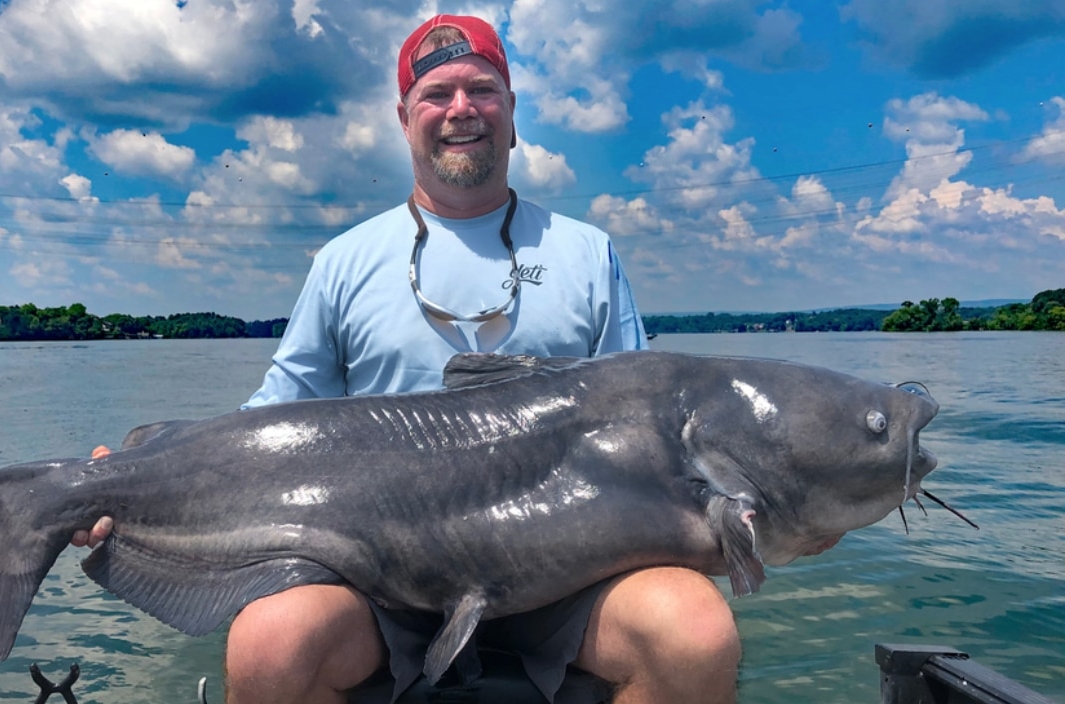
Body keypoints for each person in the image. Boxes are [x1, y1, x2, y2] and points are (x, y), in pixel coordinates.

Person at [74, 14, 741, 703]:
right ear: (404, 118)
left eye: (482, 90)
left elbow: (654, 431)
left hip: (571, 575)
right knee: (270, 644)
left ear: (511, 112)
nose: (461, 110)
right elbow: (270, 426)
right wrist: (132, 481)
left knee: (694, 635)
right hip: (376, 582)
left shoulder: (587, 254)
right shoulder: (344, 263)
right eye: (437, 94)